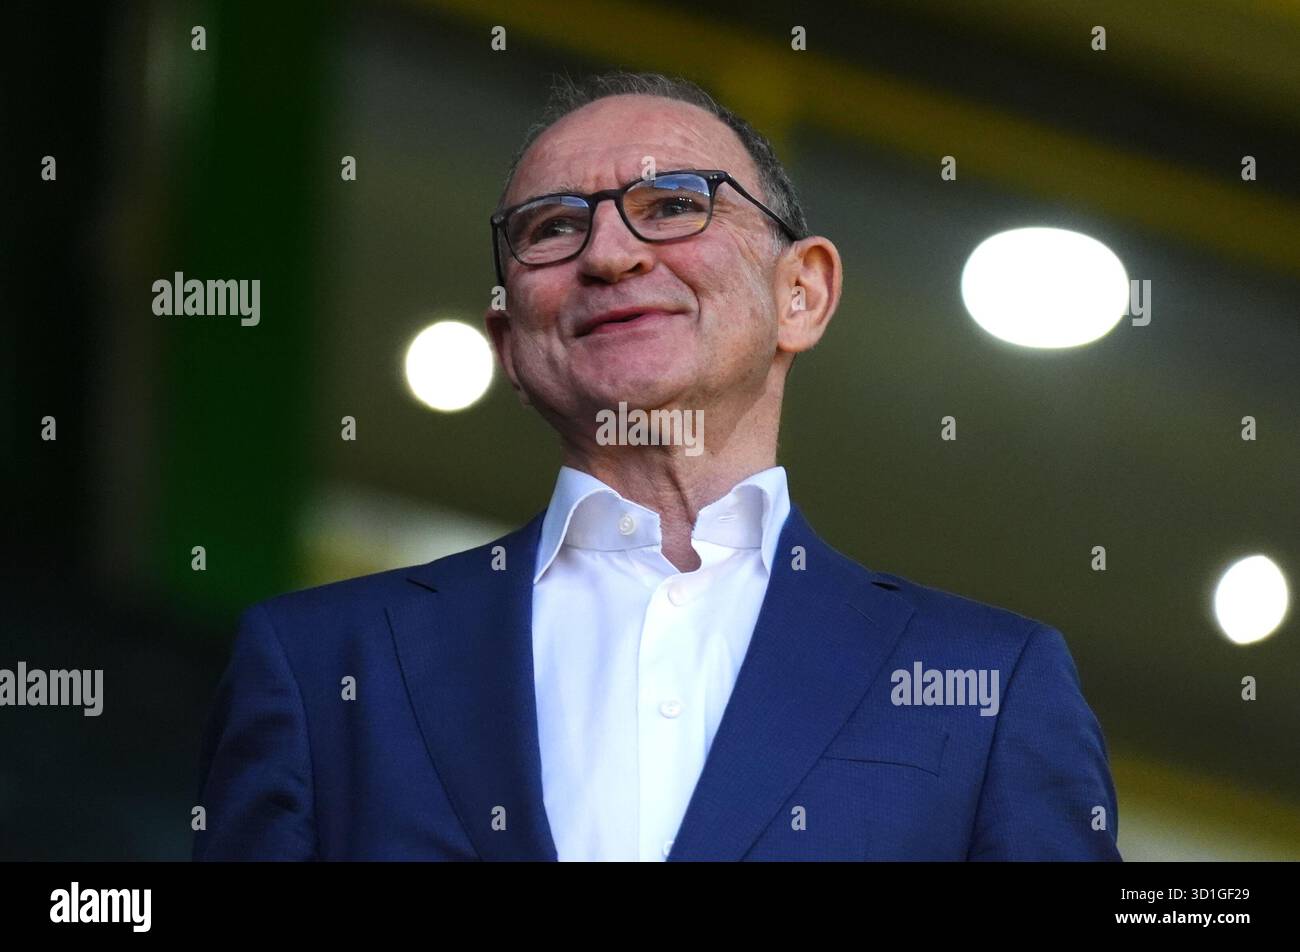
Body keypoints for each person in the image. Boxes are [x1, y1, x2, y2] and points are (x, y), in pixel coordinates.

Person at [193, 71, 1121, 861]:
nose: (608, 252)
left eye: (674, 204)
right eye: (551, 228)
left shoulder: (992, 685)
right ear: (510, 346)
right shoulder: (319, 668)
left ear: (802, 293)